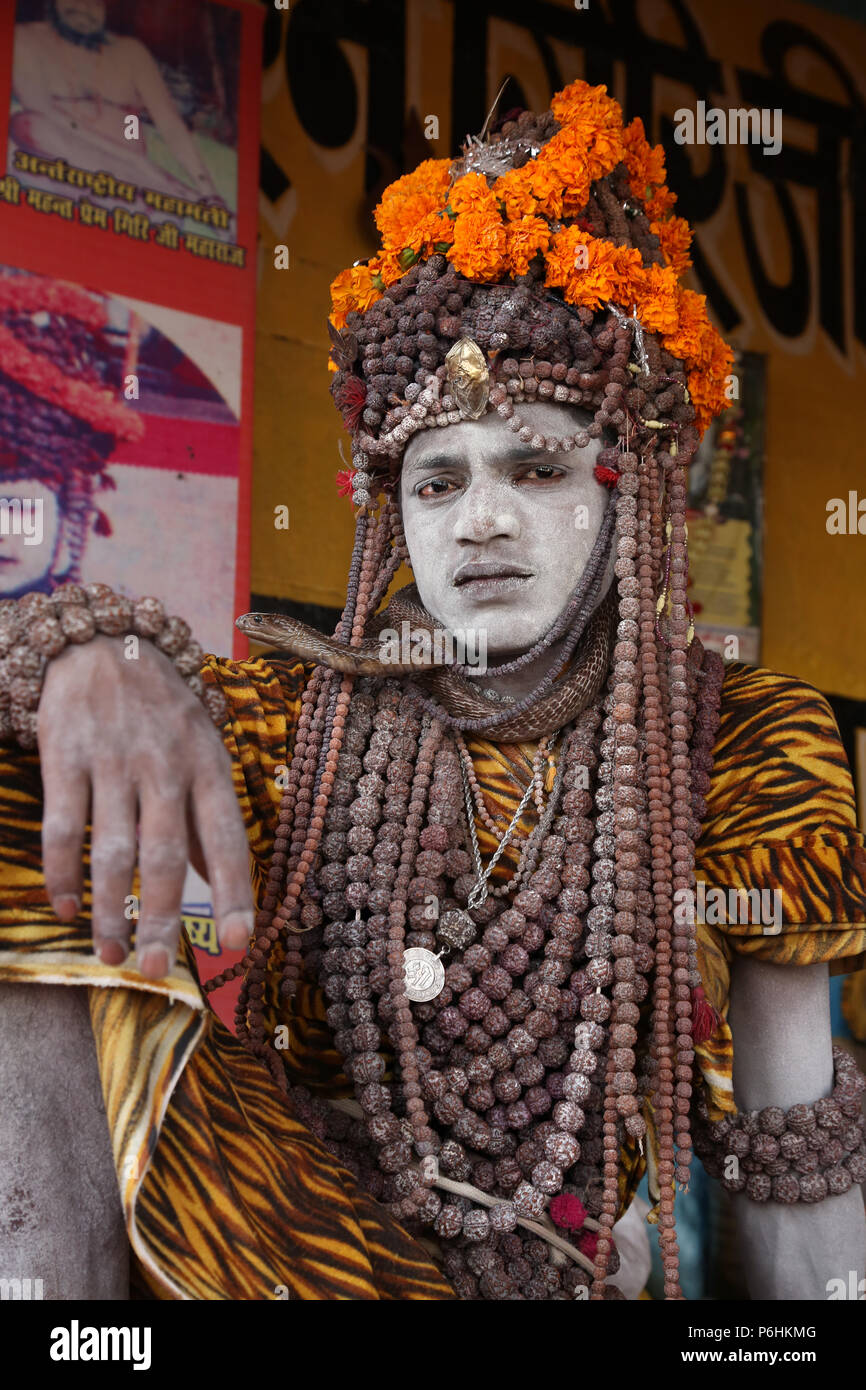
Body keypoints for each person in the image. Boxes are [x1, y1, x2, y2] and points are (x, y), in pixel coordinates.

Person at [1, 80, 865, 1302]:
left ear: (628, 489)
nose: (483, 521)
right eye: (438, 481)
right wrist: (84, 658)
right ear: (391, 512)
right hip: (299, 1256)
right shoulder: (303, 718)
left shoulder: (745, 739)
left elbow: (796, 1152)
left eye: (537, 464)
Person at [11, 0, 226, 208]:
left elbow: (170, 124)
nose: (85, 8)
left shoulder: (131, 51)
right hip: (73, 155)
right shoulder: (26, 37)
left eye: (96, 3)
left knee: (132, 122)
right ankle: (160, 192)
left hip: (131, 160)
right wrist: (138, 164)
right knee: (31, 125)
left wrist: (210, 194)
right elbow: (42, 110)